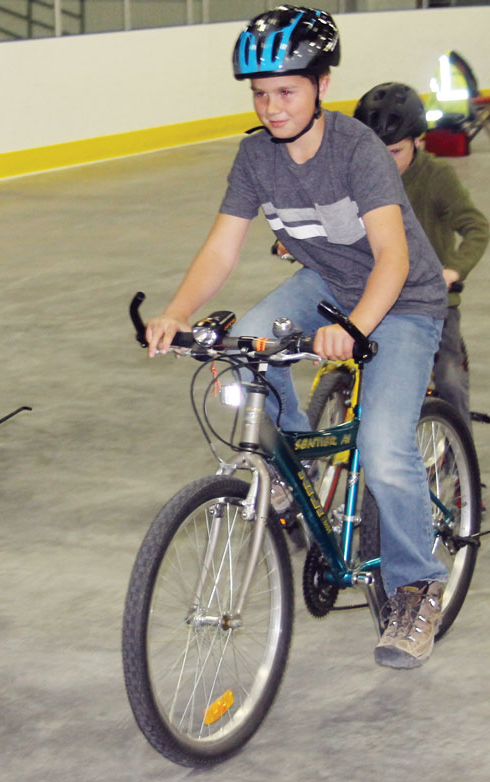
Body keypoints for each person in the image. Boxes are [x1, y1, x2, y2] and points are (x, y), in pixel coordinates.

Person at [145, 7, 448, 669]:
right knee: (247, 347)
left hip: (401, 302)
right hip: (330, 284)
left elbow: (393, 260)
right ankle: (293, 473)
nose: (272, 107)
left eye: (286, 91)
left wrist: (352, 330)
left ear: (322, 85)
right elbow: (222, 249)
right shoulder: (257, 155)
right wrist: (176, 313)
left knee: (382, 443)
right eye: (260, 94)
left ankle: (417, 583)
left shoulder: (356, 150)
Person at [354, 82, 488, 421]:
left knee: (449, 380)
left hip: (432, 300)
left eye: (395, 152)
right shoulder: (356, 178)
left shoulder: (435, 177)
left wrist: (453, 271)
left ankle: (463, 467)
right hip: (373, 294)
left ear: (418, 141)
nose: (384, 162)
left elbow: (477, 227)